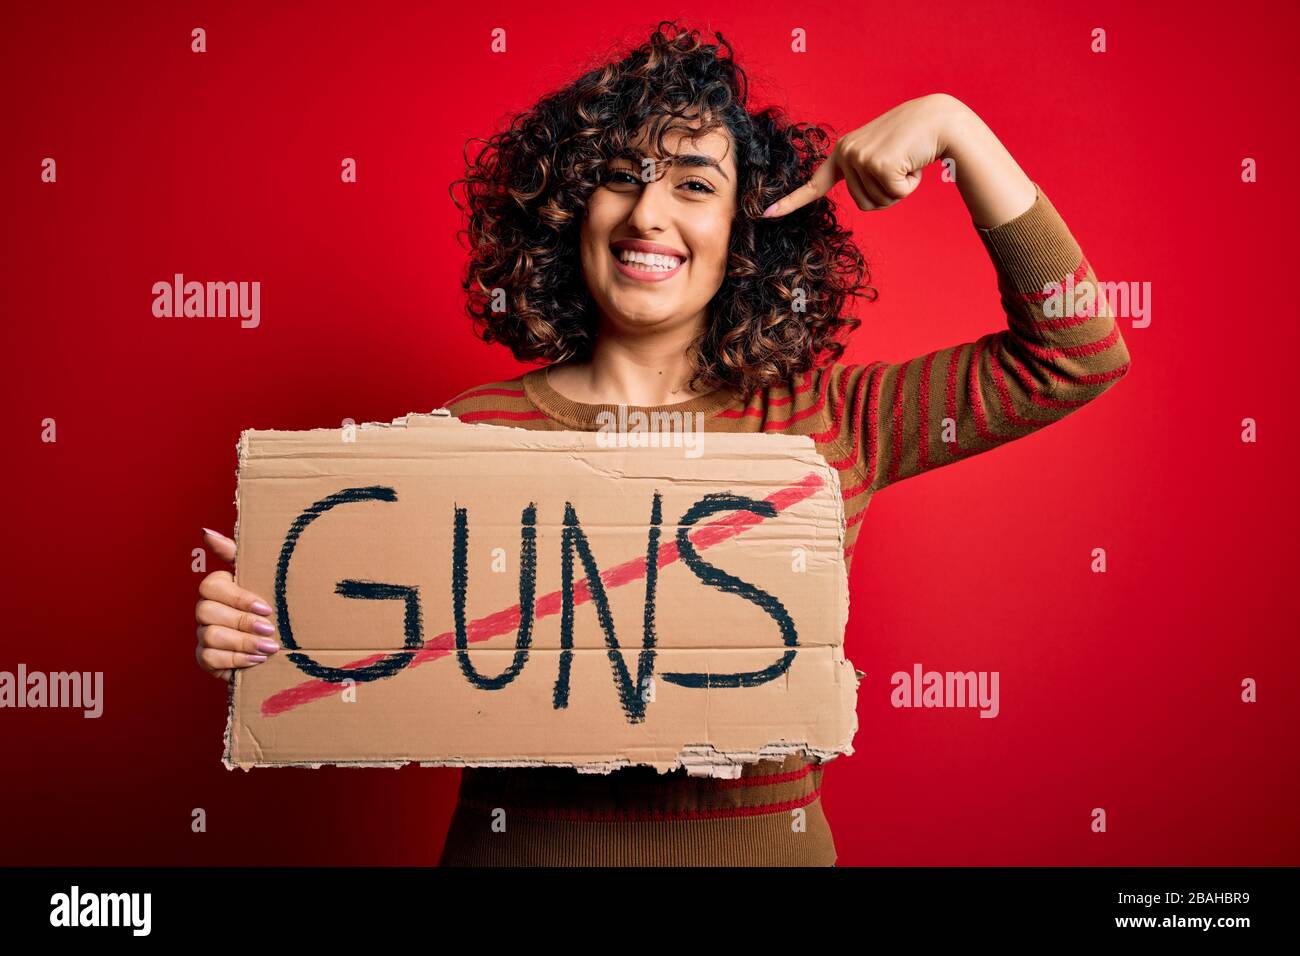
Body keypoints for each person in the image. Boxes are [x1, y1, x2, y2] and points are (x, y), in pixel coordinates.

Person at [194, 21, 1131, 866]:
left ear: (746, 226)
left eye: (694, 185)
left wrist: (957, 128)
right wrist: (270, 625)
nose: (649, 214)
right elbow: (370, 651)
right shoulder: (471, 436)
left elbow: (1077, 355)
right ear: (571, 208)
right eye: (618, 176)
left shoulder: (827, 421)